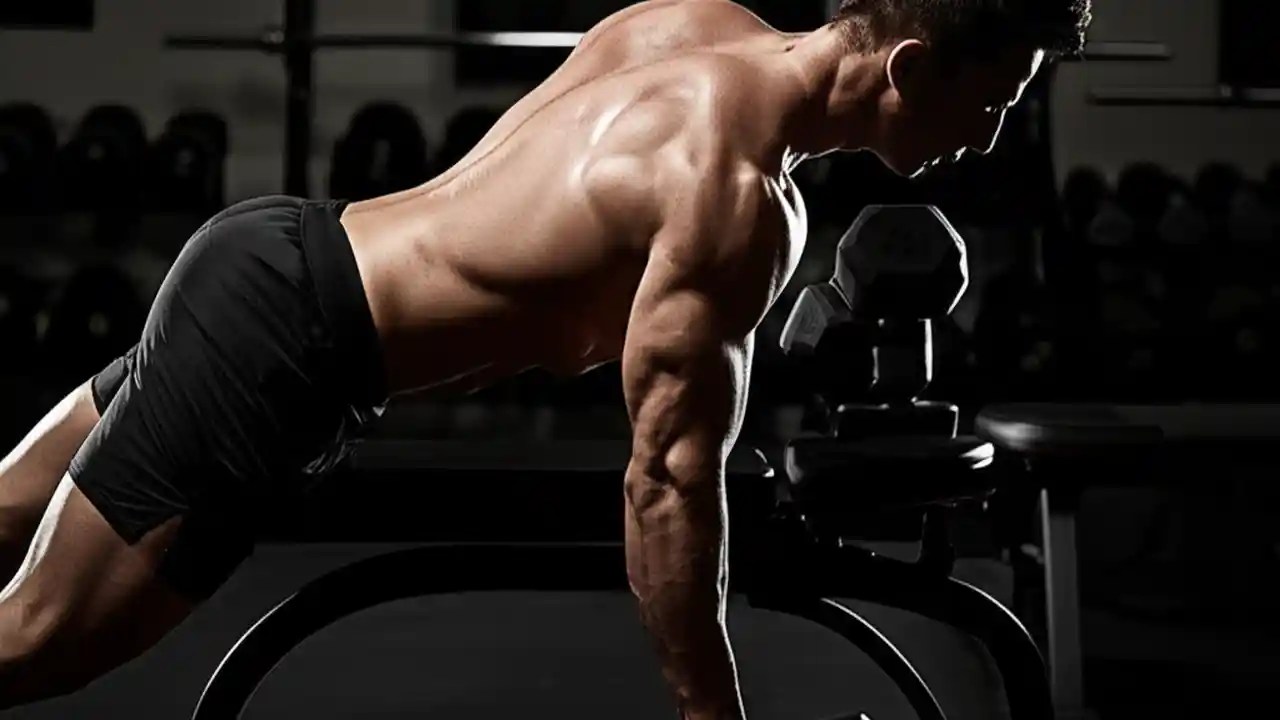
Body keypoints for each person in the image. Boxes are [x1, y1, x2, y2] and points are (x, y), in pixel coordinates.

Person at [0, 0, 1090, 715]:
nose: (985, 140)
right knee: (35, 647)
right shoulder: (737, 199)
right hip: (289, 346)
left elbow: (512, 209)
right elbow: (665, 484)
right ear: (906, 64)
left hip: (271, 246)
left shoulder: (694, 27)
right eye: (989, 102)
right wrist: (713, 712)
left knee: (8, 510)